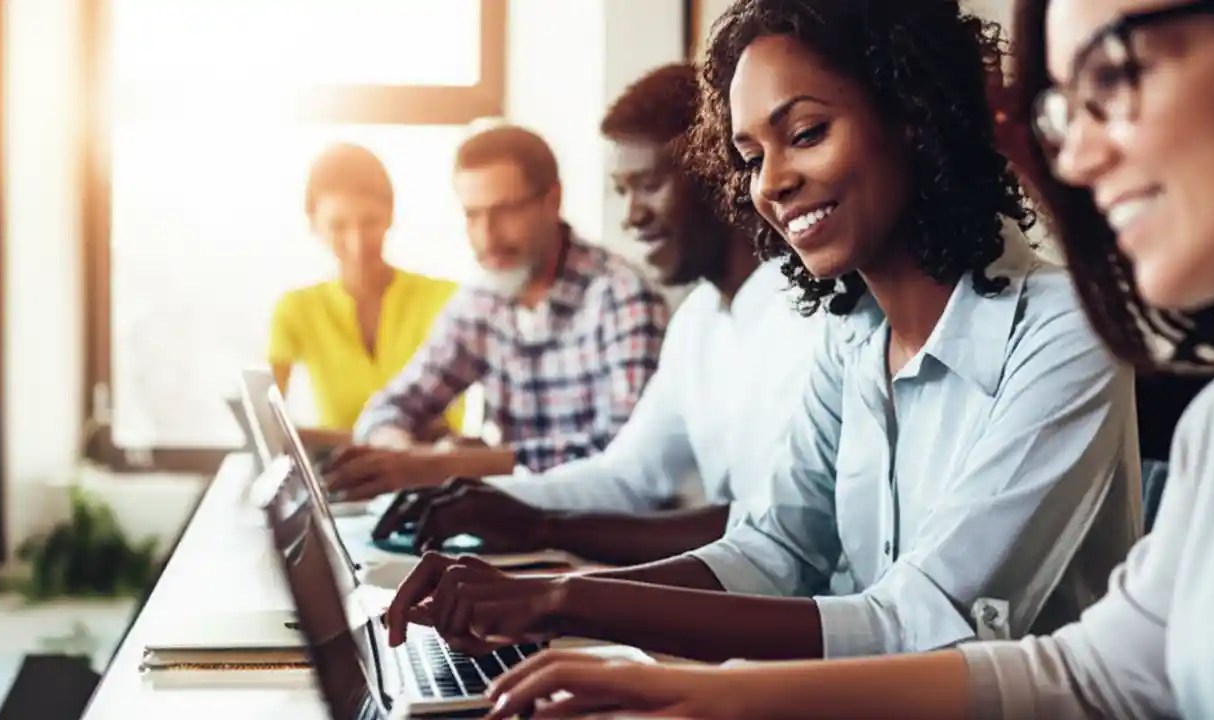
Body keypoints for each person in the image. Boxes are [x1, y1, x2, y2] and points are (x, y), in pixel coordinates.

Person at [483, 0, 1214, 717]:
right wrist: (635, 643)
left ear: (912, 116)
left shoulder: (1061, 327)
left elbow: (919, 620)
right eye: (750, 157)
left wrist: (571, 600)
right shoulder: (853, 338)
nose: (771, 184)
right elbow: (1089, 672)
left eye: (806, 132)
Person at [364, 63, 820, 565]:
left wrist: (539, 525)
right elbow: (627, 475)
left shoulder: (810, 315)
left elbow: (770, 527)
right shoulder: (699, 321)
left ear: (721, 173)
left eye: (649, 184)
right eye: (622, 191)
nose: (632, 217)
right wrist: (474, 494)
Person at [330, 124, 669, 494]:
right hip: (512, 532)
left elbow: (625, 459)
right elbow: (390, 408)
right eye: (472, 215)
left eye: (504, 211)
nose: (486, 237)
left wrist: (449, 465)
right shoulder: (481, 301)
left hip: (608, 536)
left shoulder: (624, 299)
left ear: (552, 200)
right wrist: (403, 455)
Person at [268, 143, 462, 438]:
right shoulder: (296, 309)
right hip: (339, 477)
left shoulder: (446, 299)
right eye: (338, 225)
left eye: (370, 222)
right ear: (313, 224)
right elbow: (268, 424)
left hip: (432, 476)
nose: (357, 243)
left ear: (390, 216)